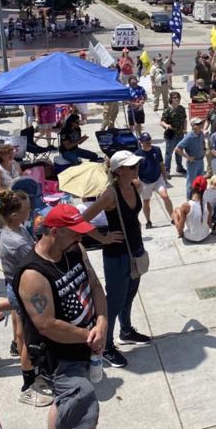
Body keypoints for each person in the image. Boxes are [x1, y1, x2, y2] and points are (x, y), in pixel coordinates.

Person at [14, 204, 109, 429]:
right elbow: (47, 325)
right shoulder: (33, 274)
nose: (80, 237)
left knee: (65, 403)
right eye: (75, 233)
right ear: (56, 232)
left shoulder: (75, 249)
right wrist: (90, 336)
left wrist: (102, 322)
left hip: (86, 343)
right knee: (83, 404)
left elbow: (95, 285)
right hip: (59, 357)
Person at [78, 153, 153, 369]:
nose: (136, 168)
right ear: (119, 170)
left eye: (136, 164)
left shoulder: (134, 185)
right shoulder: (110, 195)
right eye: (131, 166)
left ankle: (126, 331)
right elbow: (81, 221)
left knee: (130, 294)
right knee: (113, 302)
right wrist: (102, 238)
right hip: (117, 256)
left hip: (135, 251)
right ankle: (106, 346)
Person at [0, 190, 54, 407]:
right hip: (21, 290)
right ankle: (28, 385)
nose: (30, 210)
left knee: (21, 333)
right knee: (29, 340)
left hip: (15, 285)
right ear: (14, 215)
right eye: (27, 208)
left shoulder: (15, 228)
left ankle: (33, 371)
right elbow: (37, 259)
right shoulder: (16, 241)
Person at [134, 132, 172, 228]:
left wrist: (164, 177)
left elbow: (161, 164)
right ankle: (148, 221)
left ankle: (173, 217)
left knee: (165, 196)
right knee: (146, 201)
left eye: (149, 140)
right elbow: (135, 170)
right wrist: (136, 181)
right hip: (144, 182)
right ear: (141, 142)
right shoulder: (137, 154)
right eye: (146, 141)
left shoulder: (157, 150)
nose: (148, 142)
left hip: (158, 179)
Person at [172, 176, 213, 242]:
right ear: (204, 190)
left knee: (175, 212)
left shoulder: (186, 205)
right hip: (205, 236)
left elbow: (180, 228)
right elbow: (210, 224)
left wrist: (181, 233)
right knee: (178, 209)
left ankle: (174, 217)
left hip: (190, 237)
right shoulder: (208, 205)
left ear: (192, 187)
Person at [175, 117, 207, 191]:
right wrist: (188, 157)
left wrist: (204, 149)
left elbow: (203, 141)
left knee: (200, 182)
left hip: (201, 161)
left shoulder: (201, 133)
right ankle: (189, 197)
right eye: (198, 124)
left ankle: (199, 196)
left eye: (201, 123)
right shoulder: (189, 137)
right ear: (193, 126)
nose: (201, 125)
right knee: (191, 183)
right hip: (193, 163)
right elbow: (177, 149)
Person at [161, 92, 188, 177]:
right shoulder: (167, 110)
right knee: (169, 154)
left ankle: (179, 167)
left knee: (179, 152)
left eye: (178, 97)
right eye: (175, 98)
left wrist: (185, 129)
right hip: (171, 135)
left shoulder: (181, 109)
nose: (177, 99)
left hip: (180, 135)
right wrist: (166, 126)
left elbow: (184, 119)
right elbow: (162, 121)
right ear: (171, 99)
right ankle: (167, 170)